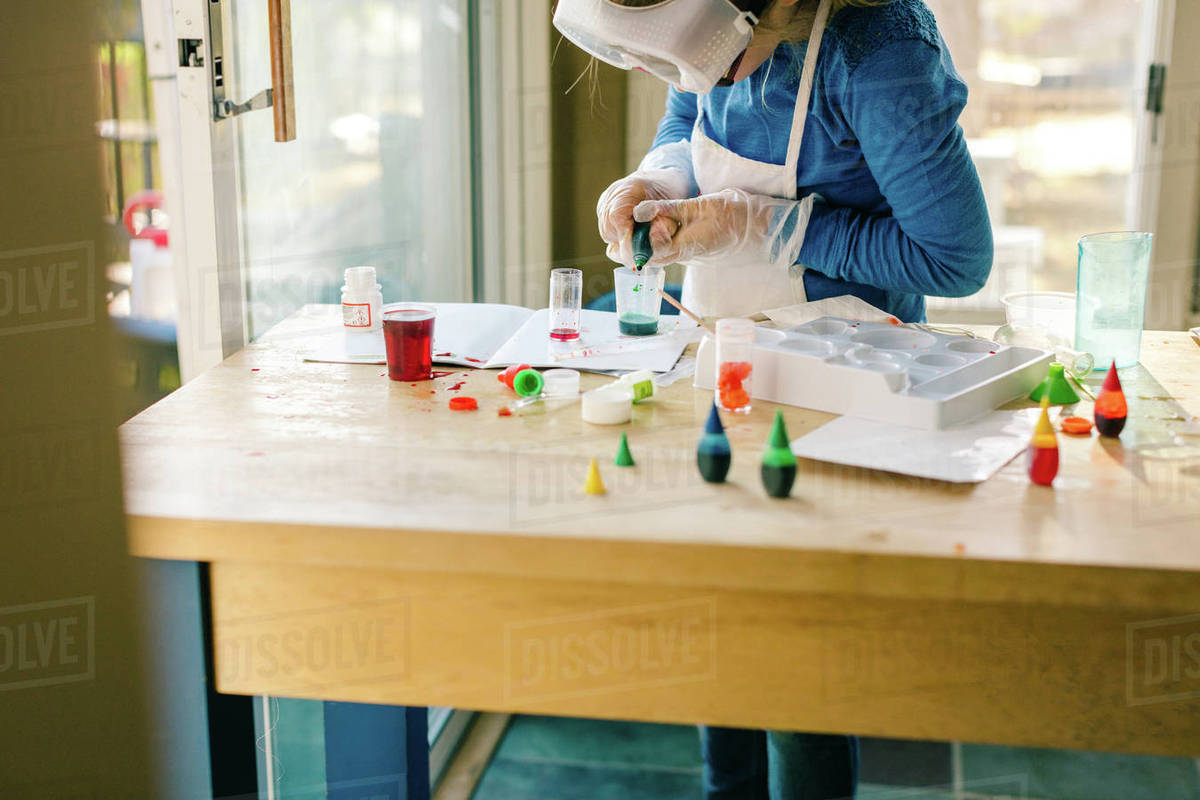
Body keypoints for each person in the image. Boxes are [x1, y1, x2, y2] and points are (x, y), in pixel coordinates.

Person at [554, 0, 991, 797]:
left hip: (845, 387)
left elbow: (955, 258)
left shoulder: (881, 53)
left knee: (793, 655)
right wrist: (658, 177)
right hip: (727, 365)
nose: (692, 79)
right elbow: (690, 104)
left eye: (715, 60)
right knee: (718, 612)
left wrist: (774, 227)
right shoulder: (712, 31)